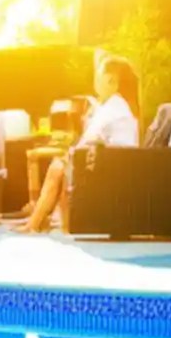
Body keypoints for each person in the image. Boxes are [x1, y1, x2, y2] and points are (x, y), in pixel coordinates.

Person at [14, 55, 140, 234]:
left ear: (110, 80)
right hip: (115, 162)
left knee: (58, 167)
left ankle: (36, 222)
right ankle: (40, 221)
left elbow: (88, 140)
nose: (95, 80)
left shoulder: (113, 106)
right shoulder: (117, 105)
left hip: (113, 166)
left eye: (98, 75)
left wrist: (70, 152)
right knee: (59, 166)